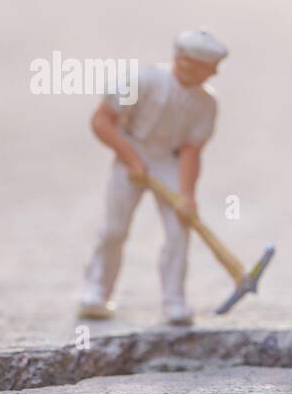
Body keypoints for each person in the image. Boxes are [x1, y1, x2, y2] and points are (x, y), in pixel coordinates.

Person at [80, 29, 228, 325]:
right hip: (130, 152)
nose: (214, 73)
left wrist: (186, 194)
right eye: (207, 67)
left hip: (167, 162)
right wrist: (132, 159)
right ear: (186, 62)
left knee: (178, 230)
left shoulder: (206, 103)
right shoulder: (141, 81)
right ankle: (97, 289)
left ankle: (175, 299)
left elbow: (190, 150)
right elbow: (101, 121)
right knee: (114, 229)